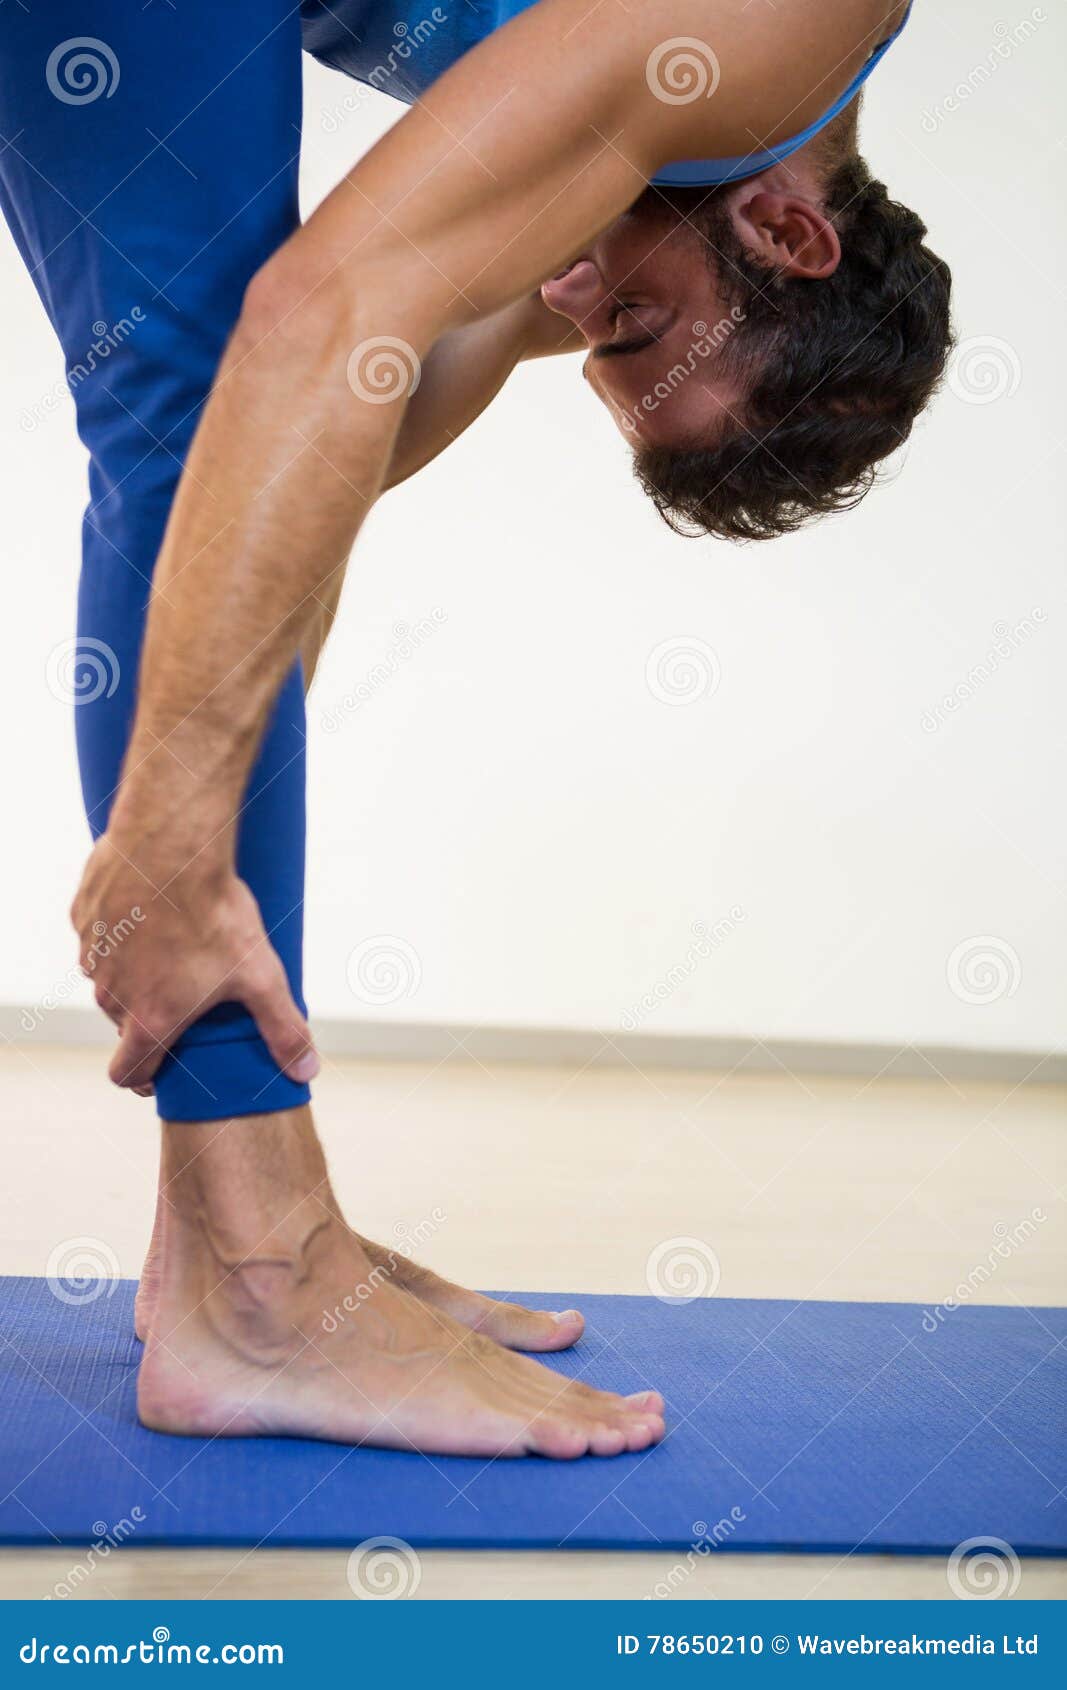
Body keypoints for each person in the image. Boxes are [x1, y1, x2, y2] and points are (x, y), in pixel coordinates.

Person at [0, 0, 947, 1456]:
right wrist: (171, 834)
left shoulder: (648, 173)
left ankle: (230, 1234)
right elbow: (305, 336)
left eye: (602, 342)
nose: (577, 309)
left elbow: (302, 481)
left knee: (208, 432)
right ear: (787, 232)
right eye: (633, 326)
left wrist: (200, 846)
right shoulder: (780, 27)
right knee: (201, 409)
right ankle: (261, 1287)